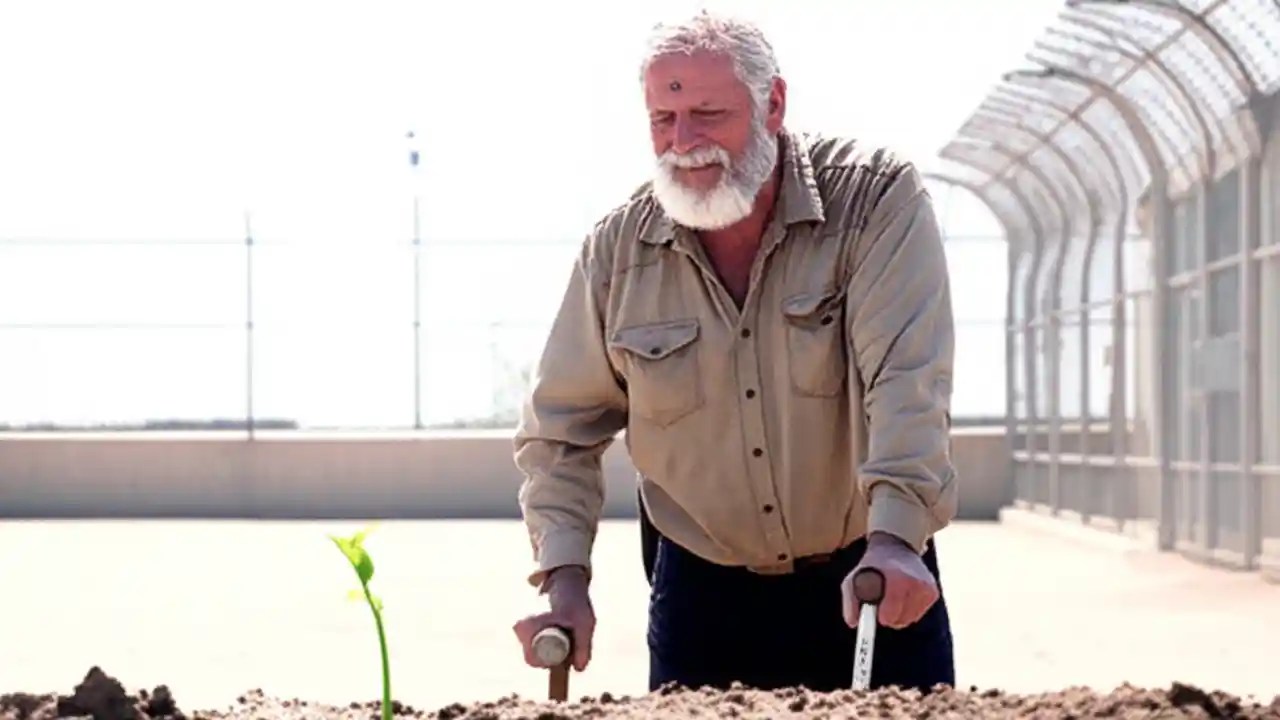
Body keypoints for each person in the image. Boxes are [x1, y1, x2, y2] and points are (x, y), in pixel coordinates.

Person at [511, 10, 959, 694]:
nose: (684, 142)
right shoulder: (617, 252)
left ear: (773, 104)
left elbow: (908, 381)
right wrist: (564, 578)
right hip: (701, 600)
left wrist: (897, 537)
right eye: (664, 118)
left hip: (870, 583)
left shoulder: (873, 201)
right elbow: (560, 432)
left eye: (709, 113)